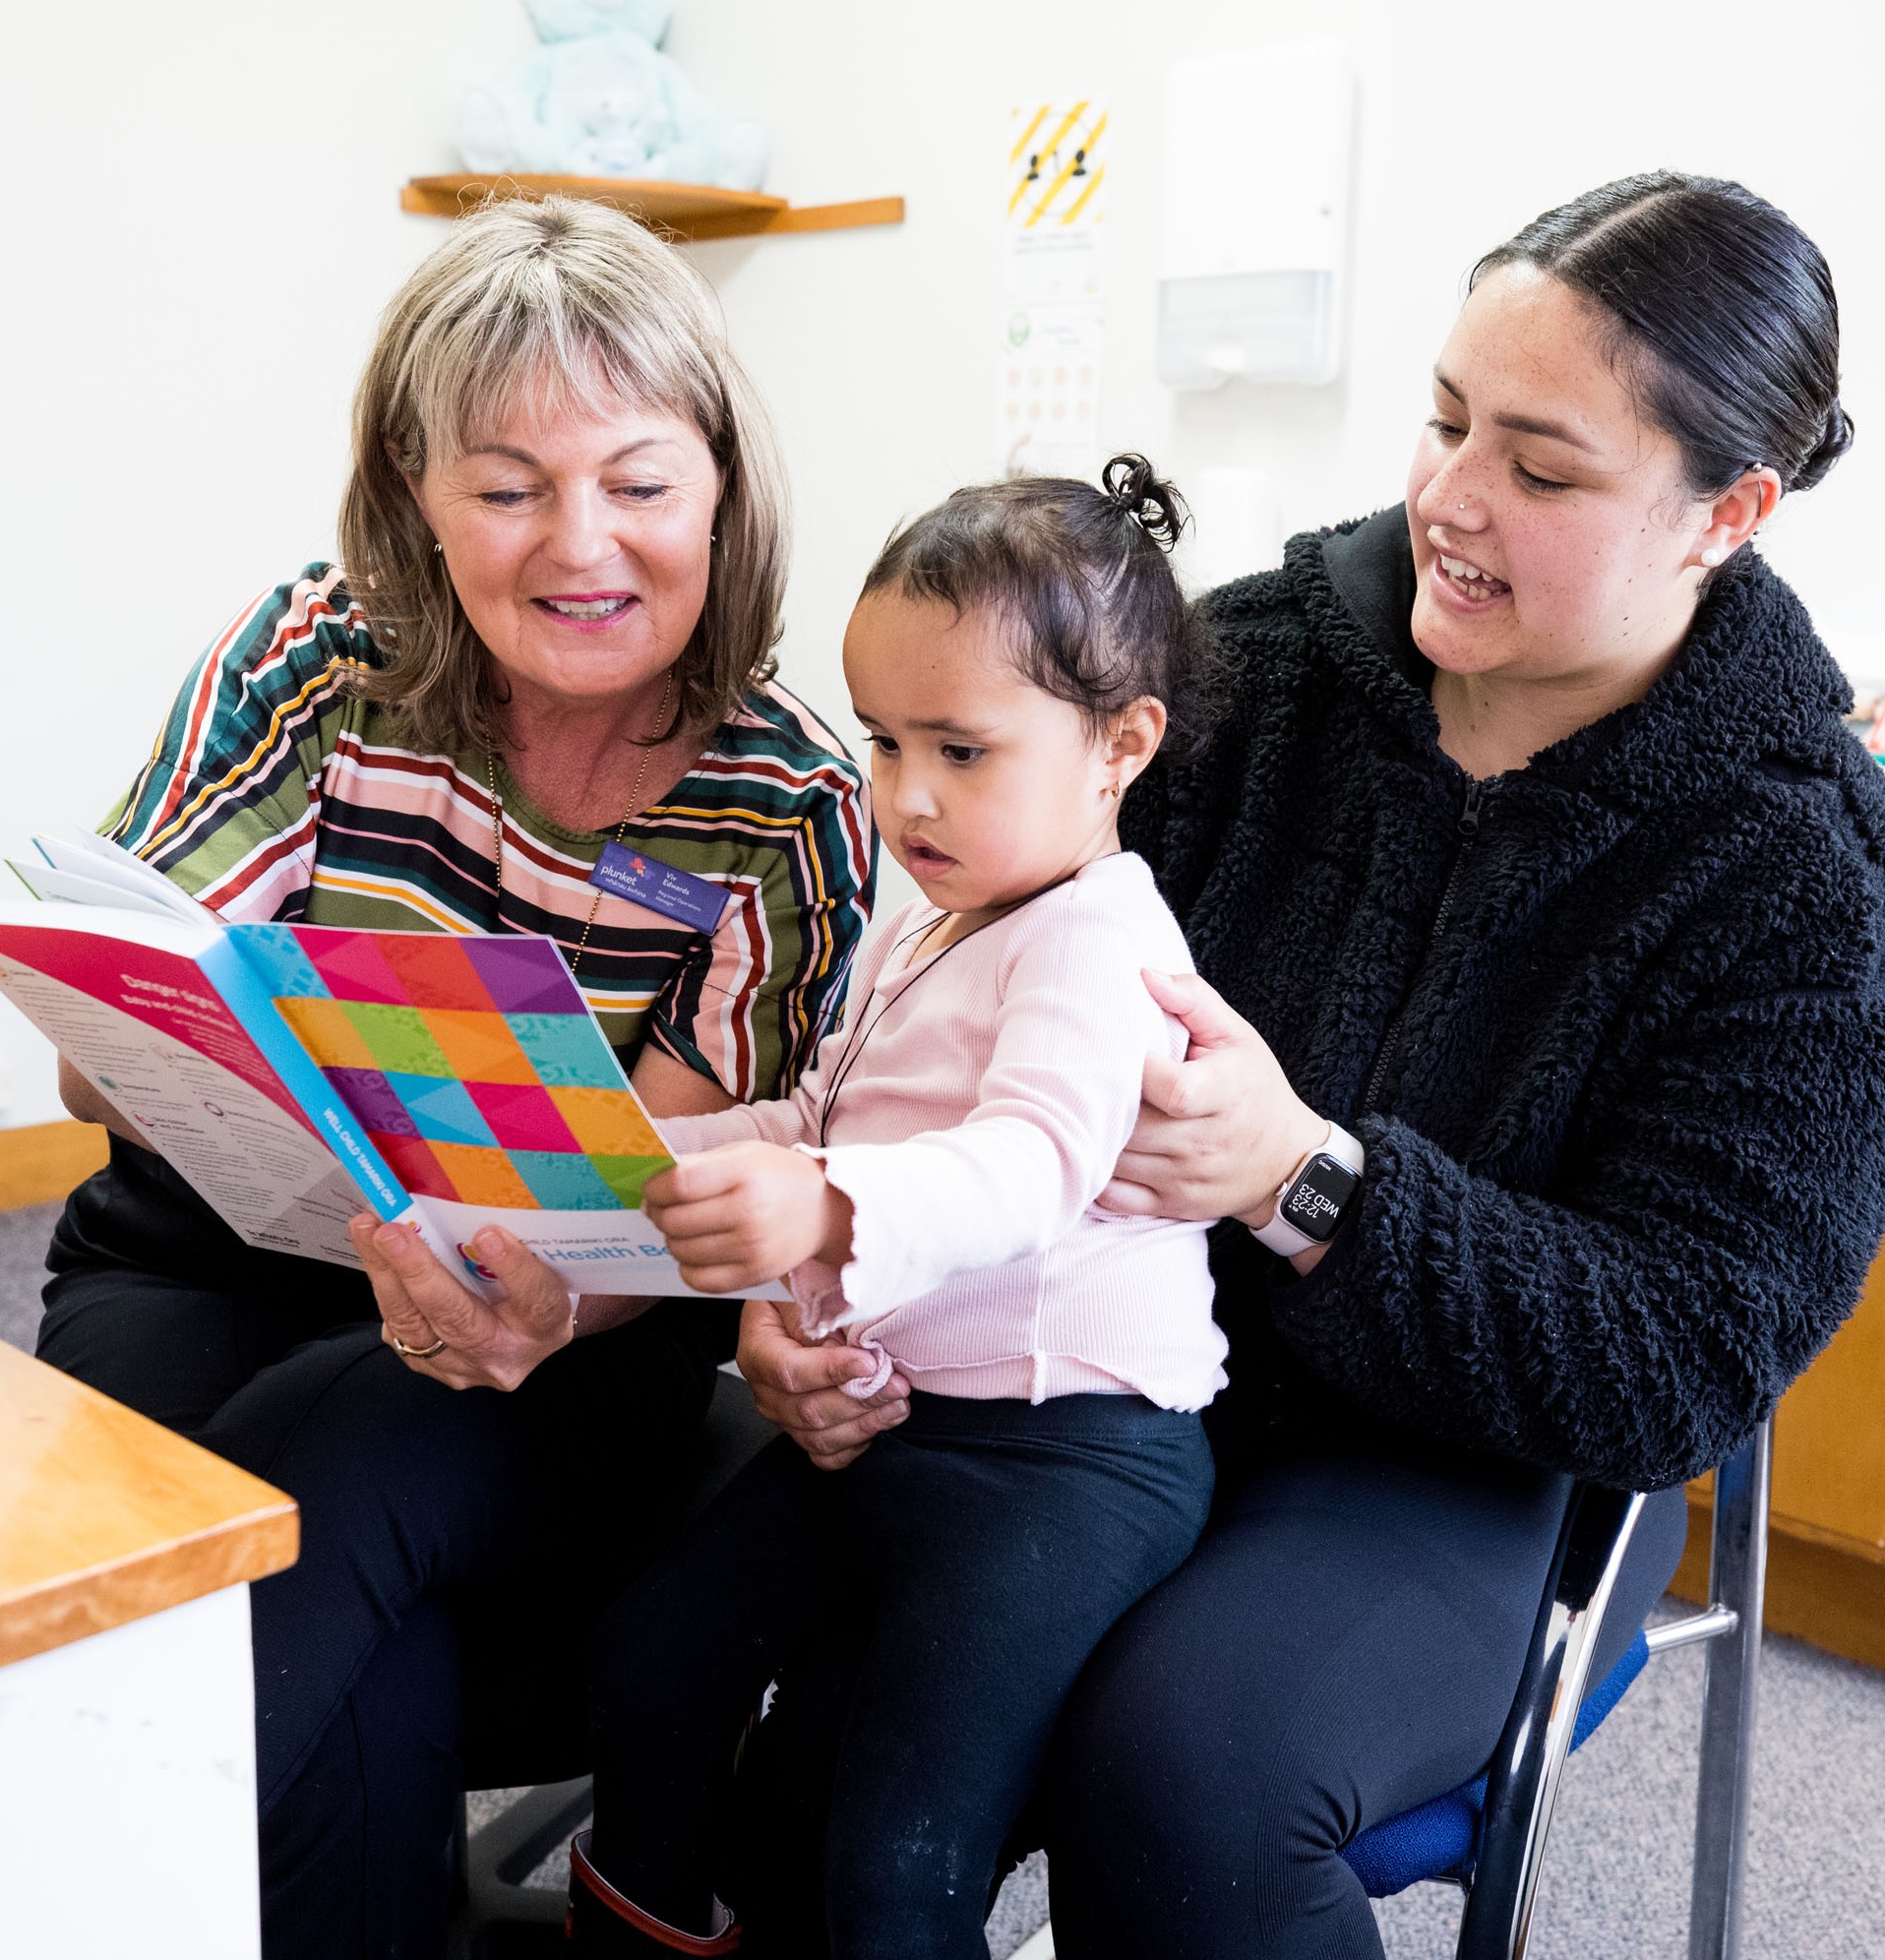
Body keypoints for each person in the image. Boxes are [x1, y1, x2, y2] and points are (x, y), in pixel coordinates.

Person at [735, 172, 1885, 1958]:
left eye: (1544, 469)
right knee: (800, 1729)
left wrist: (1307, 1183)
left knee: (1187, 1777)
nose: (1450, 499)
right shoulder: (1237, 678)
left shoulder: (1798, 871)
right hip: (1081, 1373)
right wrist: (822, 1284)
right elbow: (950, 1025)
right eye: (1444, 423)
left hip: (1450, 1451)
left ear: (1727, 511)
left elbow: (1683, 1358)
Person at [34, 196, 873, 1960]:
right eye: (508, 488)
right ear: (418, 494)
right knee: (324, 1621)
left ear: (724, 485)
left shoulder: (789, 801)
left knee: (307, 1517)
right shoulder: (315, 663)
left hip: (562, 1333)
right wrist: (187, 1069)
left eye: (640, 485)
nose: (583, 545)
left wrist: (538, 1309)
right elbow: (122, 1039)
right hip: (210, 1254)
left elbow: (664, 1201)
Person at [565, 459, 1229, 1959]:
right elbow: (826, 1113)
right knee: (651, 1665)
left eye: (963, 749)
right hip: (893, 1419)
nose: (907, 793)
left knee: (899, 1860)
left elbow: (1029, 1165)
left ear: (1120, 746)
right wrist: (623, 1156)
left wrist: (816, 1203)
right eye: (881, 739)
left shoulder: (1099, 941)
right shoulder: (930, 912)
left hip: (1070, 1463)